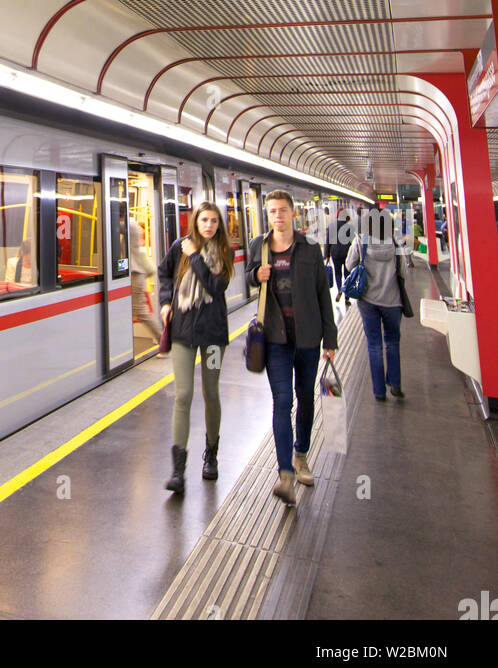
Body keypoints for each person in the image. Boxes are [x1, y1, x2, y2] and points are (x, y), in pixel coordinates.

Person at [246, 189, 338, 506]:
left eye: (283, 210)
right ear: (267, 214)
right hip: (275, 339)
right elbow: (248, 279)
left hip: (309, 337)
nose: (278, 216)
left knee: (305, 398)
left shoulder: (310, 248)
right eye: (272, 211)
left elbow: (323, 295)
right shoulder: (259, 247)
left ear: (293, 213)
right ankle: (285, 473)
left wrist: (332, 339)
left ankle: (301, 455)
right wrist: (256, 275)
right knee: (282, 400)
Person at [158, 201, 234, 492]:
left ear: (219, 225)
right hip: (183, 332)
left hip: (213, 335)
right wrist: (165, 303)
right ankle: (178, 471)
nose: (209, 226)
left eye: (214, 221)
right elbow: (164, 273)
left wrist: (198, 258)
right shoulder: (180, 247)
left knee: (211, 392)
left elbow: (215, 287)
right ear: (195, 221)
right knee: (183, 395)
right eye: (204, 220)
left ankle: (211, 456)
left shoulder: (225, 252)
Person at [345, 208, 412, 401]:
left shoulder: (361, 241)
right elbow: (403, 272)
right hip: (392, 302)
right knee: (392, 342)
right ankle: (396, 384)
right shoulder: (395, 242)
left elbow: (350, 265)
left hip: (367, 301)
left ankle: (379, 391)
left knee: (374, 345)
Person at [129, 217, 161, 343]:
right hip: (136, 273)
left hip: (136, 273)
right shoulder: (134, 225)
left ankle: (162, 339)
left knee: (141, 311)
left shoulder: (130, 225)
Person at [324, 208, 355, 301]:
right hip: (347, 253)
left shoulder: (332, 226)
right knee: (347, 274)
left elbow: (328, 241)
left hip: (335, 253)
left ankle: (339, 290)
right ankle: (347, 297)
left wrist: (327, 255)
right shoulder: (349, 226)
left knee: (338, 273)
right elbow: (353, 241)